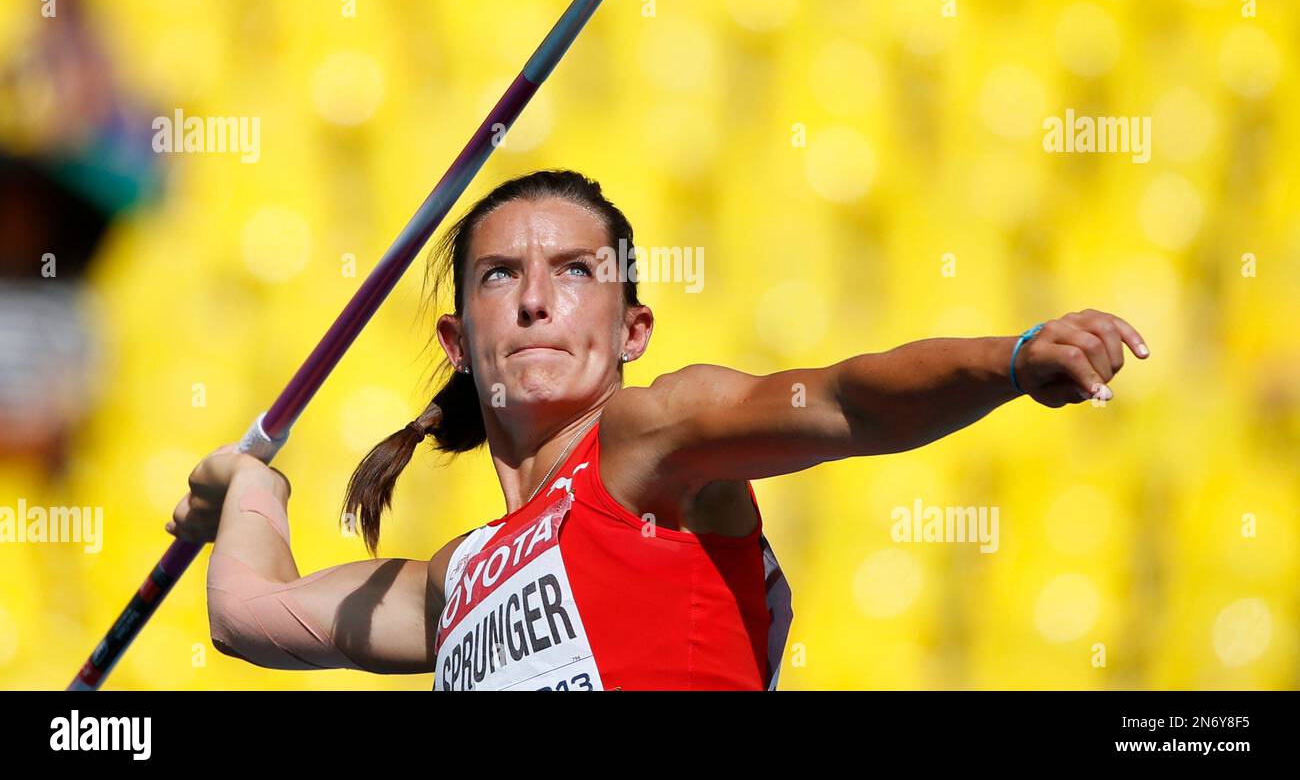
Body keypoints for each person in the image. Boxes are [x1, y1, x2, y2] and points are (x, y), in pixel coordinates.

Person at [173, 169, 1149, 690]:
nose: (536, 300)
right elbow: (251, 614)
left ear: (632, 330)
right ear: (459, 342)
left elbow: (844, 401)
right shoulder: (457, 578)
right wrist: (252, 485)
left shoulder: (645, 442)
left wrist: (1010, 359)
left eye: (575, 271)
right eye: (501, 275)